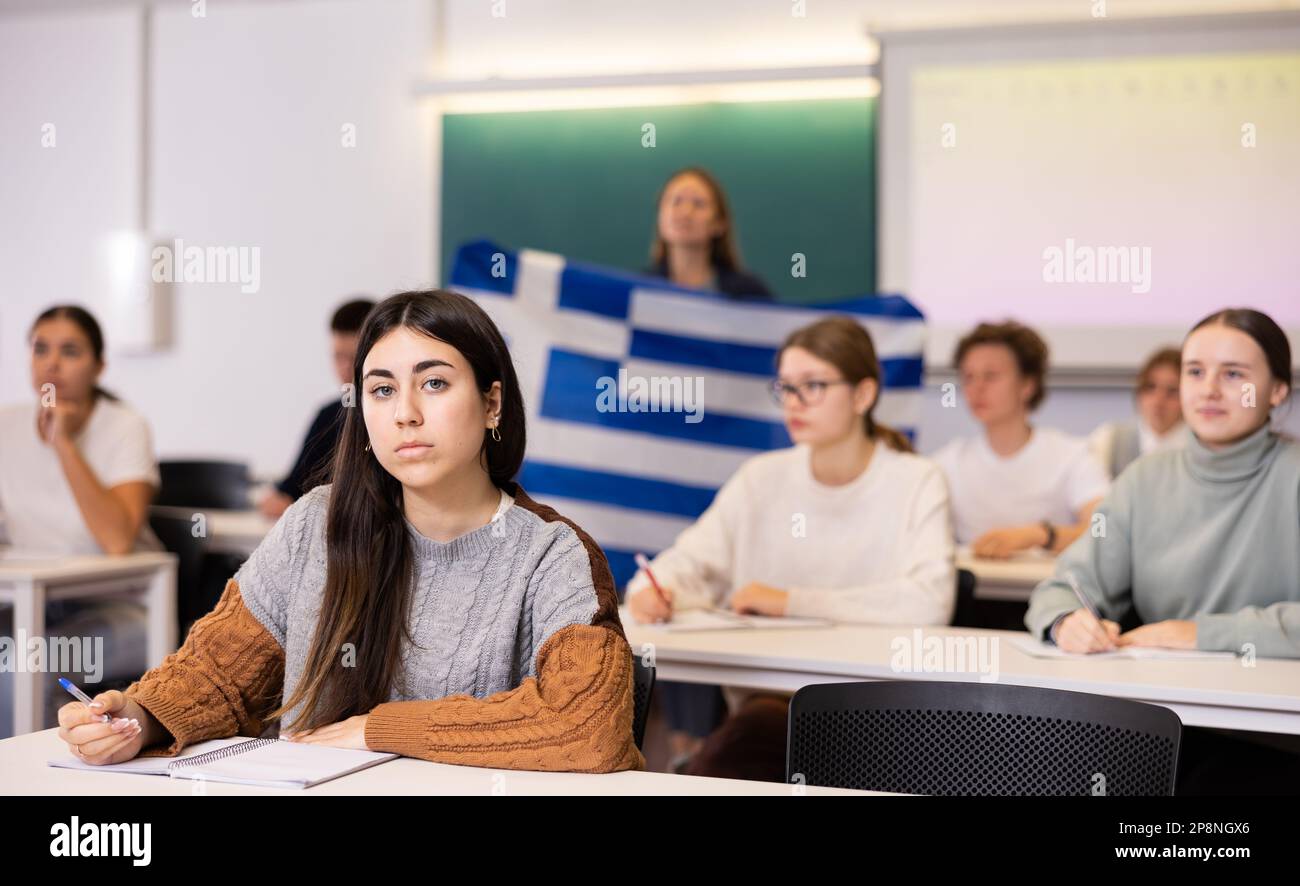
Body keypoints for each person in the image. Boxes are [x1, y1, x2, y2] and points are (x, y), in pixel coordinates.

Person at [56, 290, 644, 773]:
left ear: (492, 403)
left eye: (434, 383)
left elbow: (588, 726)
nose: (405, 413)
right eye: (382, 390)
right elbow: (217, 673)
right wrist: (138, 717)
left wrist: (377, 730)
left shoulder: (552, 554)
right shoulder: (315, 524)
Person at [626, 316, 955, 780]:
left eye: (813, 386)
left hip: (879, 710)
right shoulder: (761, 477)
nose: (794, 402)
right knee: (742, 746)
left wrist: (789, 601)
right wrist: (652, 591)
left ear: (863, 395)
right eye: (785, 387)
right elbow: (686, 563)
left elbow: (930, 601)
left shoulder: (916, 480)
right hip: (771, 706)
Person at [0, 305, 161, 737]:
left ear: (99, 366)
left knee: (15, 665)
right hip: (33, 606)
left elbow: (116, 539)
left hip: (126, 609)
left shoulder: (125, 426)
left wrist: (64, 443)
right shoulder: (6, 425)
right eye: (41, 349)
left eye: (70, 351)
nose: (52, 363)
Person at [932, 321, 1108, 558]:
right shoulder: (948, 462)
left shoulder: (1073, 455)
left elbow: (1104, 531)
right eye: (969, 377)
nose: (977, 388)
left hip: (1051, 580)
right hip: (971, 580)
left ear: (1027, 385)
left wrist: (1041, 535)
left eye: (991, 376)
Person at [258, 297, 375, 518]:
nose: (345, 368)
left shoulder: (394, 417)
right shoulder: (329, 415)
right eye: (338, 357)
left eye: (353, 358)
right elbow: (289, 491)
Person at [645, 166, 773, 300]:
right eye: (676, 201)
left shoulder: (749, 292)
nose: (685, 212)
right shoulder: (640, 290)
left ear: (719, 223)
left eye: (698, 204)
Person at [1088, 346, 1184, 480]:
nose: (1158, 401)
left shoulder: (1199, 448)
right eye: (1150, 387)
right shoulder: (1109, 439)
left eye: (1172, 391)